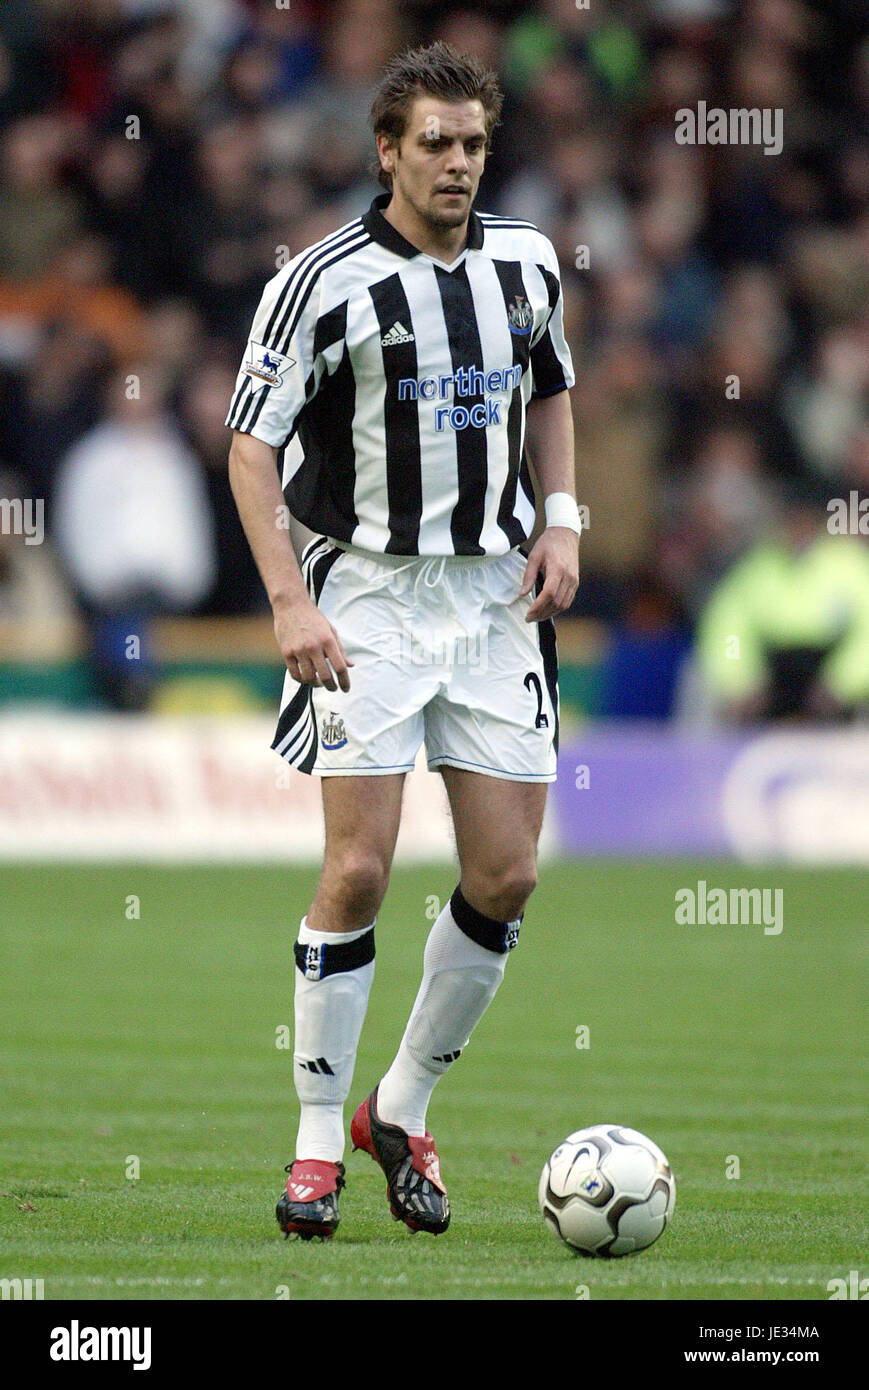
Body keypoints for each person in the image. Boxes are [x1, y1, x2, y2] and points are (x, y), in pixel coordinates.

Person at [226, 42, 579, 1240]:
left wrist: (563, 520)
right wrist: (287, 600)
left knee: (506, 874)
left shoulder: (527, 265)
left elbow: (553, 388)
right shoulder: (320, 280)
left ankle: (402, 1104)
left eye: (472, 143)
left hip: (490, 600)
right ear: (386, 150)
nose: (456, 164)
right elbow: (248, 446)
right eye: (433, 142)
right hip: (366, 595)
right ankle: (316, 1144)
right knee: (359, 868)